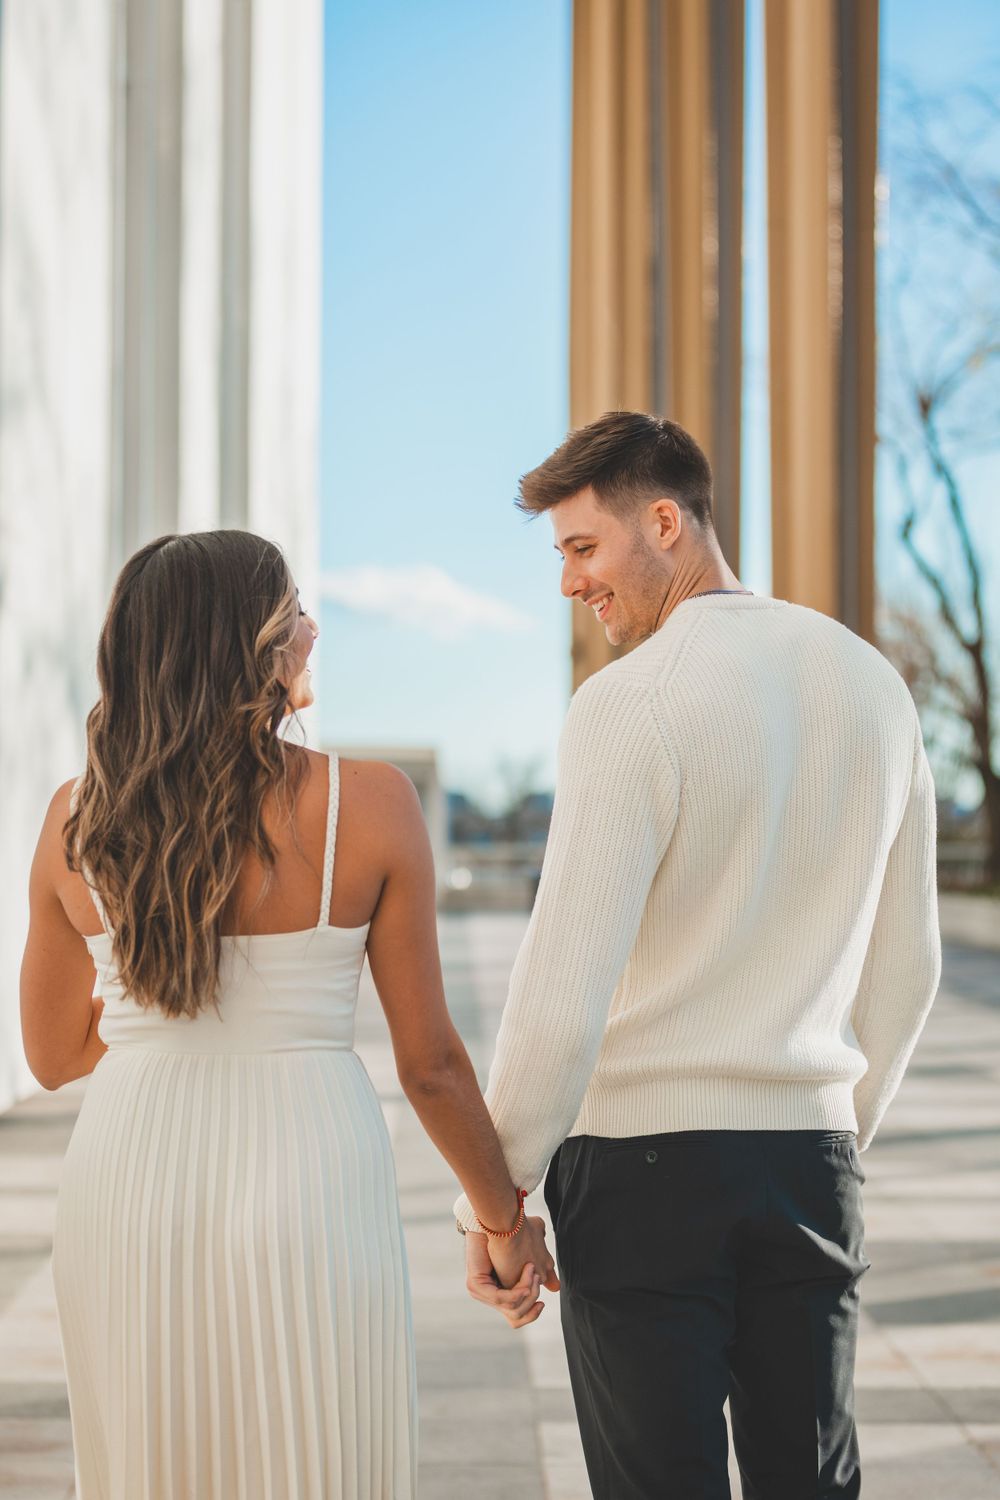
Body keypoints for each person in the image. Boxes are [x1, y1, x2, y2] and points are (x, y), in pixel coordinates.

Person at [456, 411, 942, 1499]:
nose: (570, 583)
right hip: (810, 1165)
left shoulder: (630, 703)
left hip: (641, 1172)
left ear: (666, 523)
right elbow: (907, 970)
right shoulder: (874, 687)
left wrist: (496, 1202)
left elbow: (562, 993)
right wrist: (830, 1130)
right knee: (809, 1482)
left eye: (584, 547)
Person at [20, 529, 556, 1500]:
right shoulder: (372, 804)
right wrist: (503, 1221)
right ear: (253, 644)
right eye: (296, 612)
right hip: (306, 1172)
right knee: (318, 1454)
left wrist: (158, 1007)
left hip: (127, 1182)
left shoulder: (75, 820)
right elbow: (430, 1064)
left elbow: (53, 1054)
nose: (312, 630)